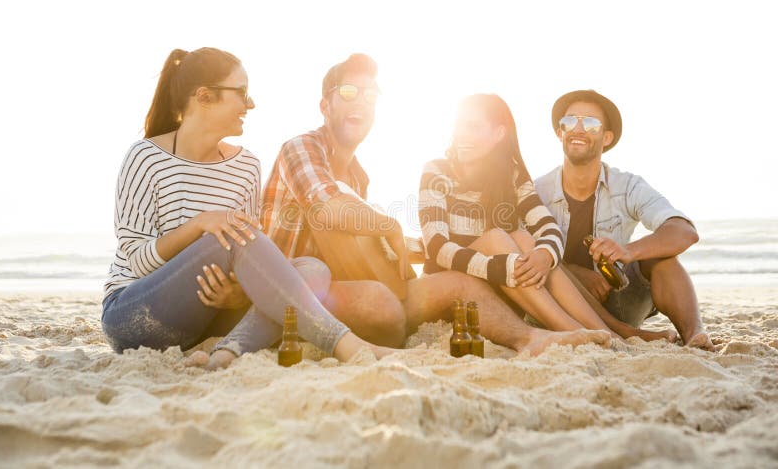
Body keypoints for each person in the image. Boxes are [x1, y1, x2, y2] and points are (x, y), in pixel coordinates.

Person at [262, 56, 611, 354]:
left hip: (341, 284)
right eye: (349, 92)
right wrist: (389, 226)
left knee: (472, 277)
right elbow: (327, 208)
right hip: (293, 287)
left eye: (370, 95)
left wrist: (400, 244)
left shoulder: (358, 176)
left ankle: (534, 339)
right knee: (382, 303)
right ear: (326, 106)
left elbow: (352, 245)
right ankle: (572, 328)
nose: (361, 102)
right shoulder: (302, 148)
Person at [101, 47, 395, 371]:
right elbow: (139, 261)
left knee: (313, 269)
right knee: (231, 233)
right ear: (204, 96)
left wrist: (238, 294)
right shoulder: (145, 158)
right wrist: (202, 223)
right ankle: (345, 343)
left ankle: (229, 352)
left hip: (206, 321)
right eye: (241, 92)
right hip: (135, 315)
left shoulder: (246, 166)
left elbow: (245, 256)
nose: (250, 103)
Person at [419, 93, 623, 337]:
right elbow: (437, 247)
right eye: (459, 126)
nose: (461, 135)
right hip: (453, 289)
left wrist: (544, 255)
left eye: (472, 127)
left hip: (504, 291)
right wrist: (503, 267)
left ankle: (606, 332)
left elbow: (548, 228)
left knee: (527, 240)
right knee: (497, 237)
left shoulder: (512, 175)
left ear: (498, 134)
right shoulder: (436, 170)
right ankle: (572, 331)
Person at [535, 89, 713, 350]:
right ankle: (624, 333)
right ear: (560, 132)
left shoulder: (627, 186)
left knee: (660, 257)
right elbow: (520, 251)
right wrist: (575, 273)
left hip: (617, 302)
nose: (579, 129)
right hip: (556, 307)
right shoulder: (536, 191)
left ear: (606, 138)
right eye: (570, 121)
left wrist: (628, 251)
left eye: (591, 123)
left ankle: (695, 336)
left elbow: (684, 231)